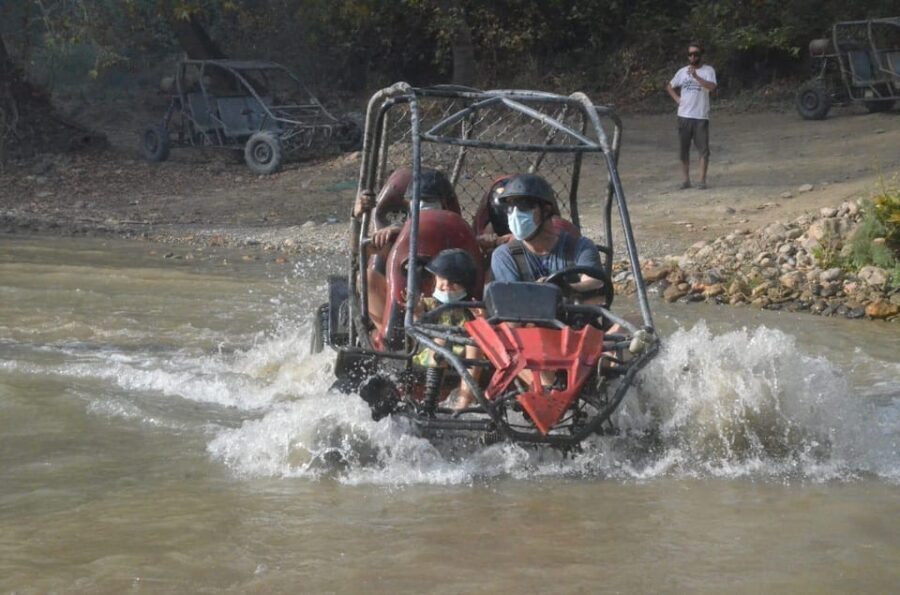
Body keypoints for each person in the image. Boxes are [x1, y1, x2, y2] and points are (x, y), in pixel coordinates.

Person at [352, 169, 456, 331]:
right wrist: (357, 218)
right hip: (400, 298)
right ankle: (384, 336)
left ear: (443, 203)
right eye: (419, 200)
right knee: (366, 277)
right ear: (409, 203)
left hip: (445, 296)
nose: (424, 205)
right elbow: (358, 253)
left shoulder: (455, 232)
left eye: (430, 200)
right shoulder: (393, 235)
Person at [490, 173, 604, 297]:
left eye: (523, 205)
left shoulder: (580, 246)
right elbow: (513, 303)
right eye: (510, 207)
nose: (515, 214)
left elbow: (595, 283)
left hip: (574, 315)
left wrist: (566, 289)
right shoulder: (505, 256)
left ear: (546, 210)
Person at [412, 249, 483, 411]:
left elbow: (487, 334)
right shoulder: (429, 304)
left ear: (466, 285)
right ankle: (429, 401)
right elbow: (417, 328)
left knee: (475, 341)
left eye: (453, 283)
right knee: (441, 340)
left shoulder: (472, 309)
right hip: (428, 353)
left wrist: (482, 321)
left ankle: (464, 403)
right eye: (442, 279)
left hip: (464, 357)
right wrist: (417, 312)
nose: (445, 285)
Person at [666, 41, 717, 190]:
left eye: (696, 54)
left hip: (701, 116)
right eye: (690, 54)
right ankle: (686, 180)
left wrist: (697, 77)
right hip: (684, 115)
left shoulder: (708, 70)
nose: (693, 57)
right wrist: (677, 99)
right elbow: (669, 86)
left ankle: (702, 180)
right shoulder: (682, 71)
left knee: (703, 150)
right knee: (684, 149)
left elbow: (712, 87)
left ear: (701, 55)